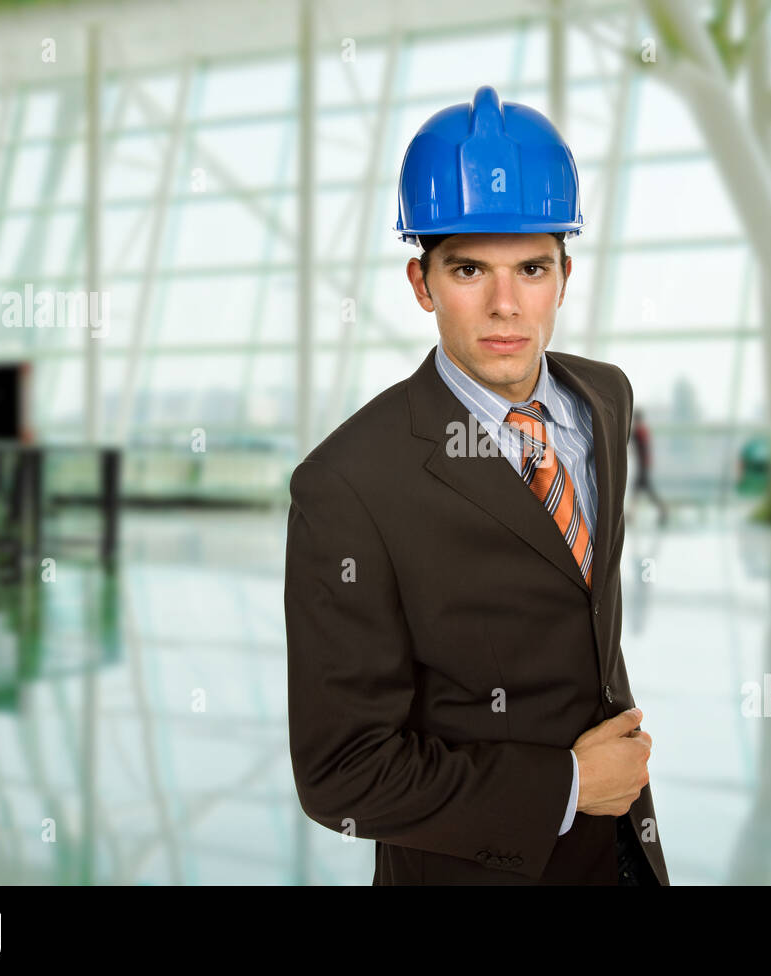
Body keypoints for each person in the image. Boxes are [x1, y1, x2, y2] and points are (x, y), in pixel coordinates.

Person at [285, 85, 667, 885]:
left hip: (625, 854)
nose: (505, 305)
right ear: (422, 283)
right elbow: (341, 774)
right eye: (468, 269)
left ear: (564, 274)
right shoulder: (349, 484)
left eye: (531, 267)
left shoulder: (605, 398)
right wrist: (567, 787)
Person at [630, 407, 669, 527]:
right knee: (638, 491)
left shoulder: (639, 432)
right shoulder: (642, 432)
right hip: (643, 466)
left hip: (643, 467)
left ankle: (662, 510)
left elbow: (634, 442)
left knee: (646, 492)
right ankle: (631, 515)